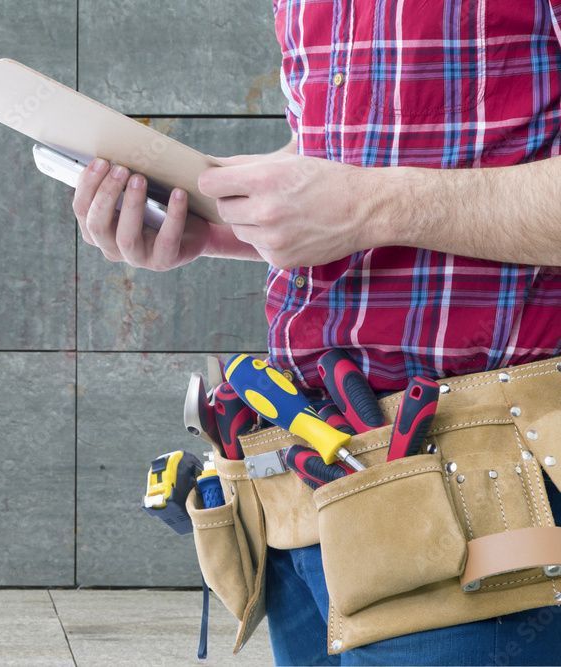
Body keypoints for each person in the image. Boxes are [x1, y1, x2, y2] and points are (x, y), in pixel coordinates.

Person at [73, 1, 561, 664]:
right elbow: (354, 155)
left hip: (491, 494)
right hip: (306, 492)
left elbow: (366, 190)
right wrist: (215, 223)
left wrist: (371, 203)